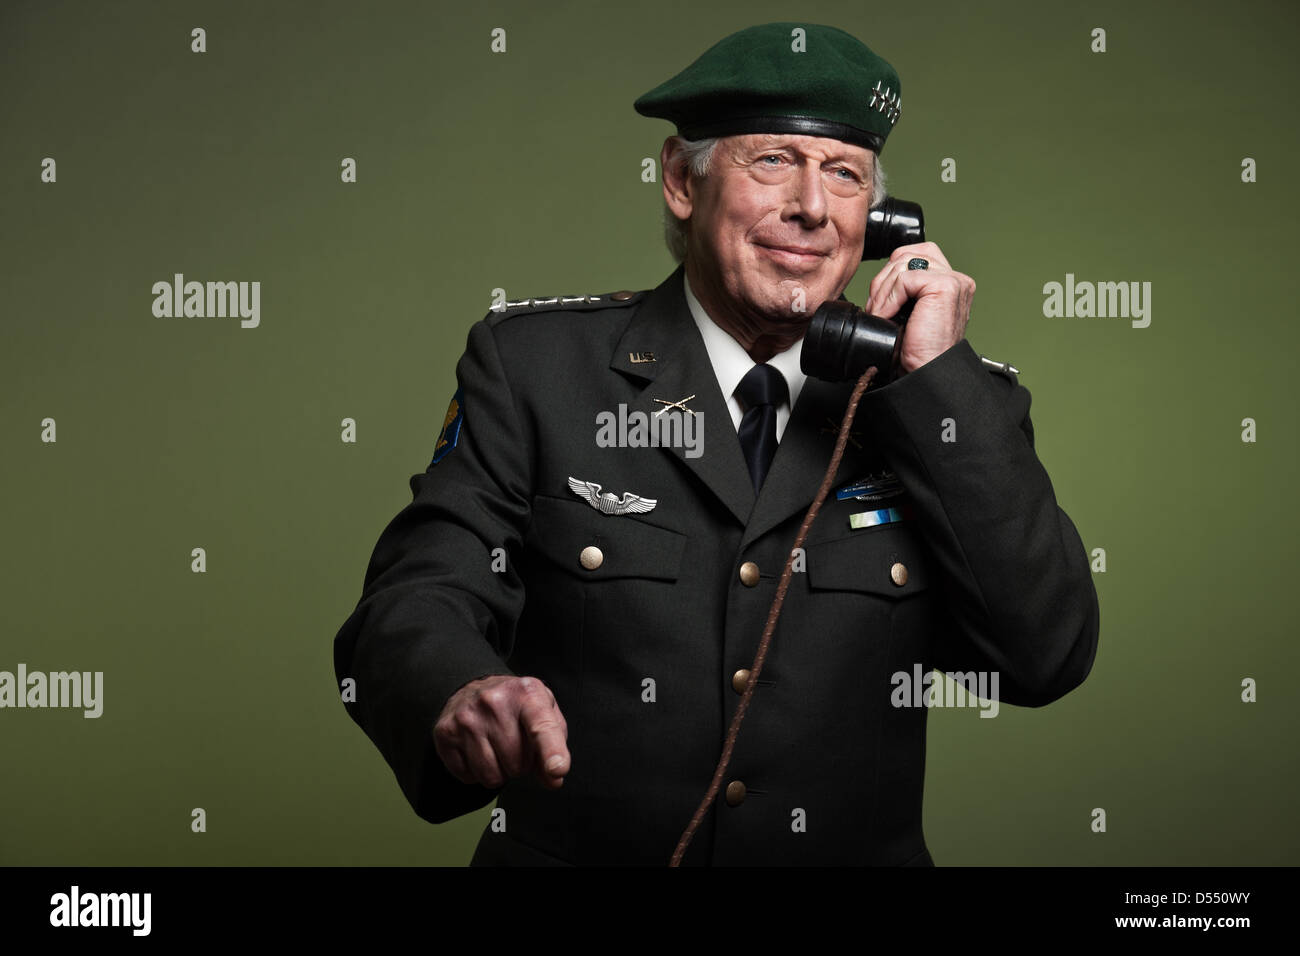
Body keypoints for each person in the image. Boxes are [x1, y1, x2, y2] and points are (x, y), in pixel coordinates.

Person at [333, 22, 1099, 866]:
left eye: (843, 174)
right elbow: (415, 596)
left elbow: (1044, 657)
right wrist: (460, 687)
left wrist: (936, 386)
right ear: (680, 180)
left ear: (877, 219)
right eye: (773, 160)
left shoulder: (949, 402)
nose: (811, 206)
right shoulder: (536, 369)